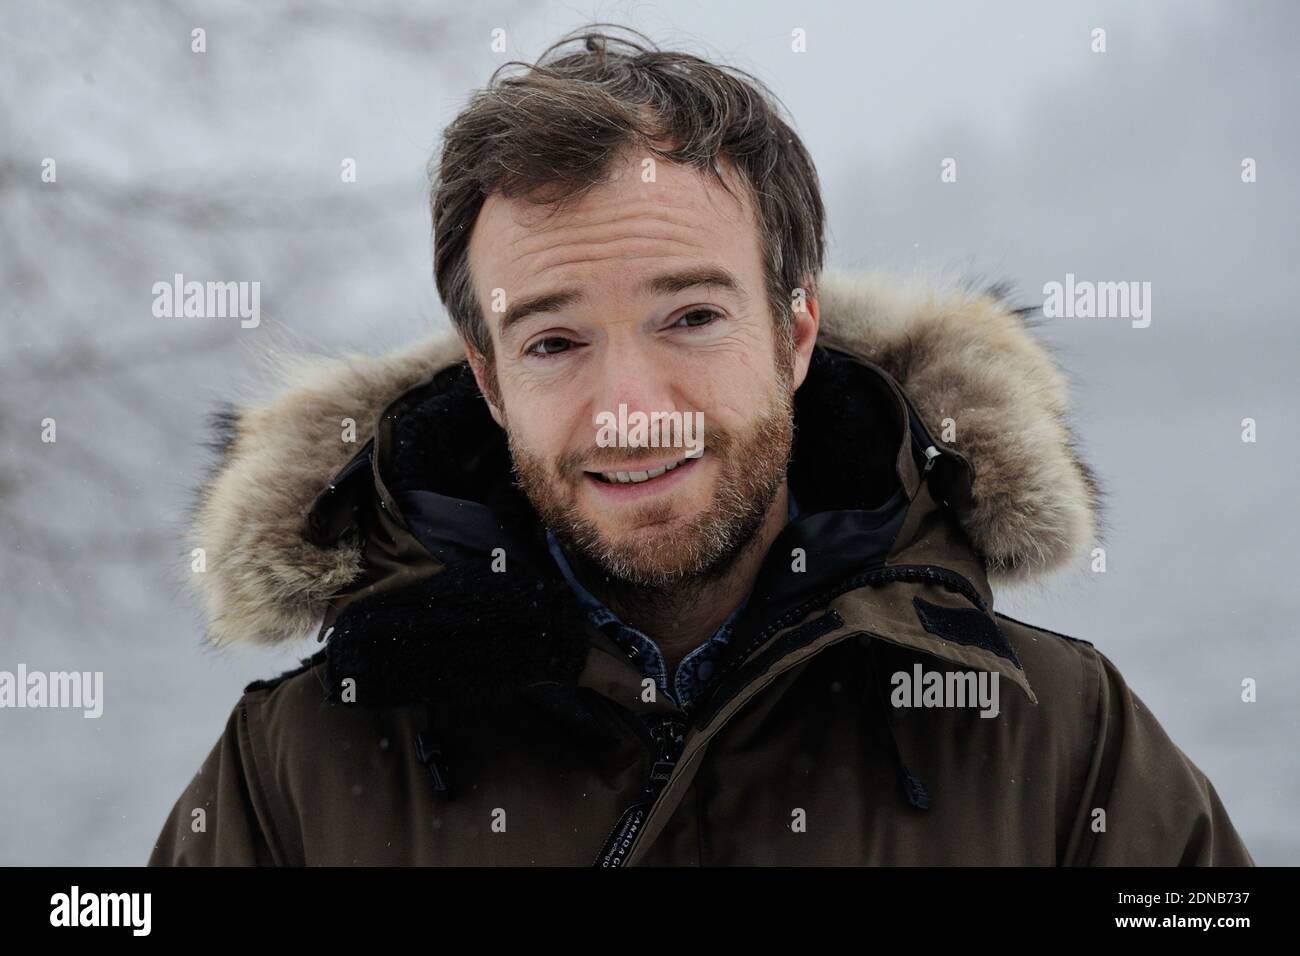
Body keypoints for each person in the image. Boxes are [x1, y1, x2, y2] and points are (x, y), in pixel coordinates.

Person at [150, 26, 1252, 866]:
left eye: (690, 317)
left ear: (794, 334)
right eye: (554, 341)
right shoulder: (297, 769)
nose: (630, 408)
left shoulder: (1058, 741)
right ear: (486, 382)